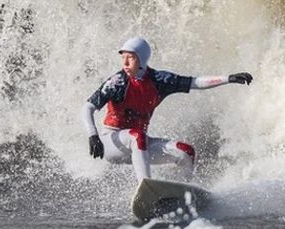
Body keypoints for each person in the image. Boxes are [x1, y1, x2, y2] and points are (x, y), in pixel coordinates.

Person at [81, 37, 253, 181]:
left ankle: (181, 193)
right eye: (123, 57)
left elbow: (195, 82)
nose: (125, 62)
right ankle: (146, 187)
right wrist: (93, 136)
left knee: (186, 152)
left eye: (131, 57)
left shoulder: (160, 80)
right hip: (111, 142)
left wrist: (228, 78)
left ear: (141, 59)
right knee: (137, 136)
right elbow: (87, 108)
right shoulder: (117, 82)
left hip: (139, 146)